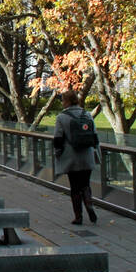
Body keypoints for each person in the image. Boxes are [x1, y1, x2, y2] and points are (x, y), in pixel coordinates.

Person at [53, 89, 99, 225]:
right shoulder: (88, 115)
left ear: (66, 101)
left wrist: (58, 153)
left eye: (63, 100)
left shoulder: (61, 117)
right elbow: (95, 136)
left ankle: (78, 216)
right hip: (87, 155)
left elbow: (58, 138)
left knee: (74, 186)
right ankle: (89, 203)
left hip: (71, 157)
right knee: (85, 184)